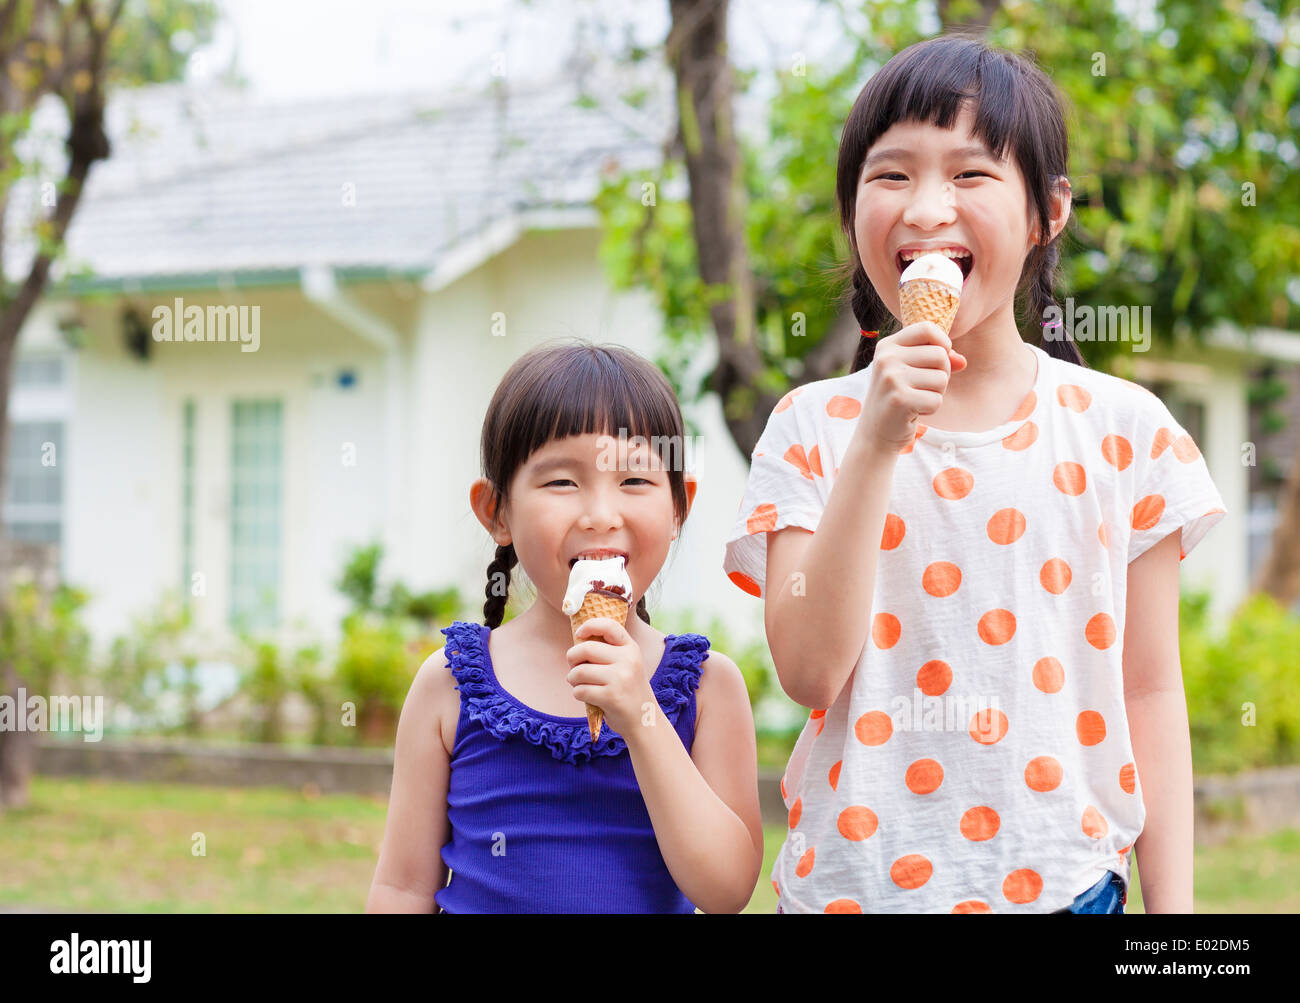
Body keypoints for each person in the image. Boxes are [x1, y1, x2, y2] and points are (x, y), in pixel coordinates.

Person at [723, 32, 1227, 914]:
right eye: (890, 175)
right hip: (854, 889)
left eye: (969, 174)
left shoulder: (1124, 430)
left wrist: (1172, 920)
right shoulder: (810, 427)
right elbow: (806, 671)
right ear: (851, 212)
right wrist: (876, 443)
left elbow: (1147, 688)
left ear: (1049, 211)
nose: (925, 209)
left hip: (1068, 888)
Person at [368, 340, 764, 913]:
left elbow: (727, 891)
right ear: (496, 512)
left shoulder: (708, 689)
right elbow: (403, 885)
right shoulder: (450, 685)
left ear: (679, 507)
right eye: (561, 482)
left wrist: (642, 716)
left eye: (634, 481)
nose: (601, 513)